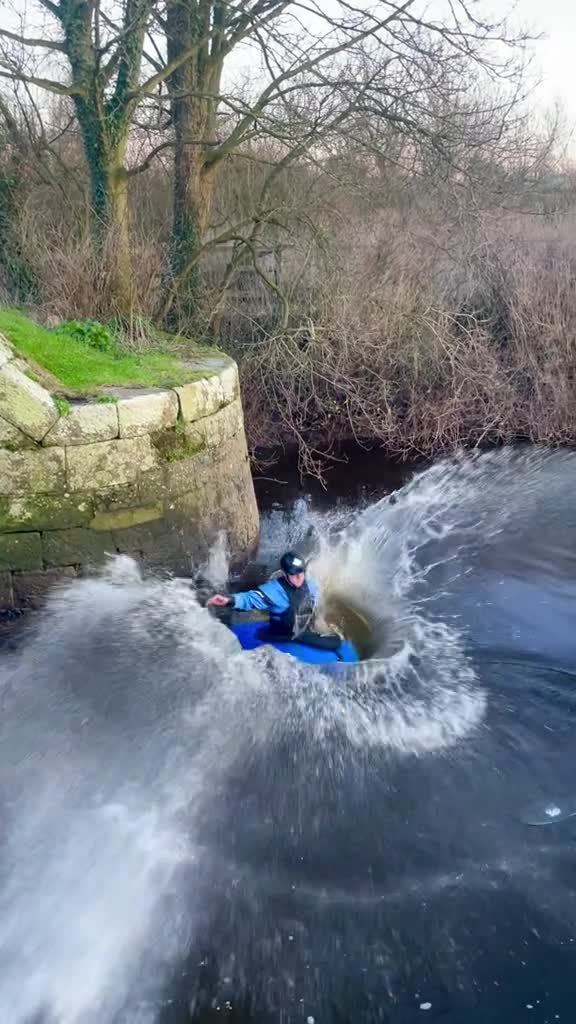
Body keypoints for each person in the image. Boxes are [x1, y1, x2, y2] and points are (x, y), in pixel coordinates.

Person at [207, 551, 343, 653]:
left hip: (303, 631)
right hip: (282, 635)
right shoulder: (275, 590)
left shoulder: (311, 585)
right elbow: (251, 598)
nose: (299, 578)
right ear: (284, 574)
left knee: (336, 640)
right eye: (294, 575)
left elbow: (314, 606)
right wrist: (229, 600)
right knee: (334, 644)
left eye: (301, 573)